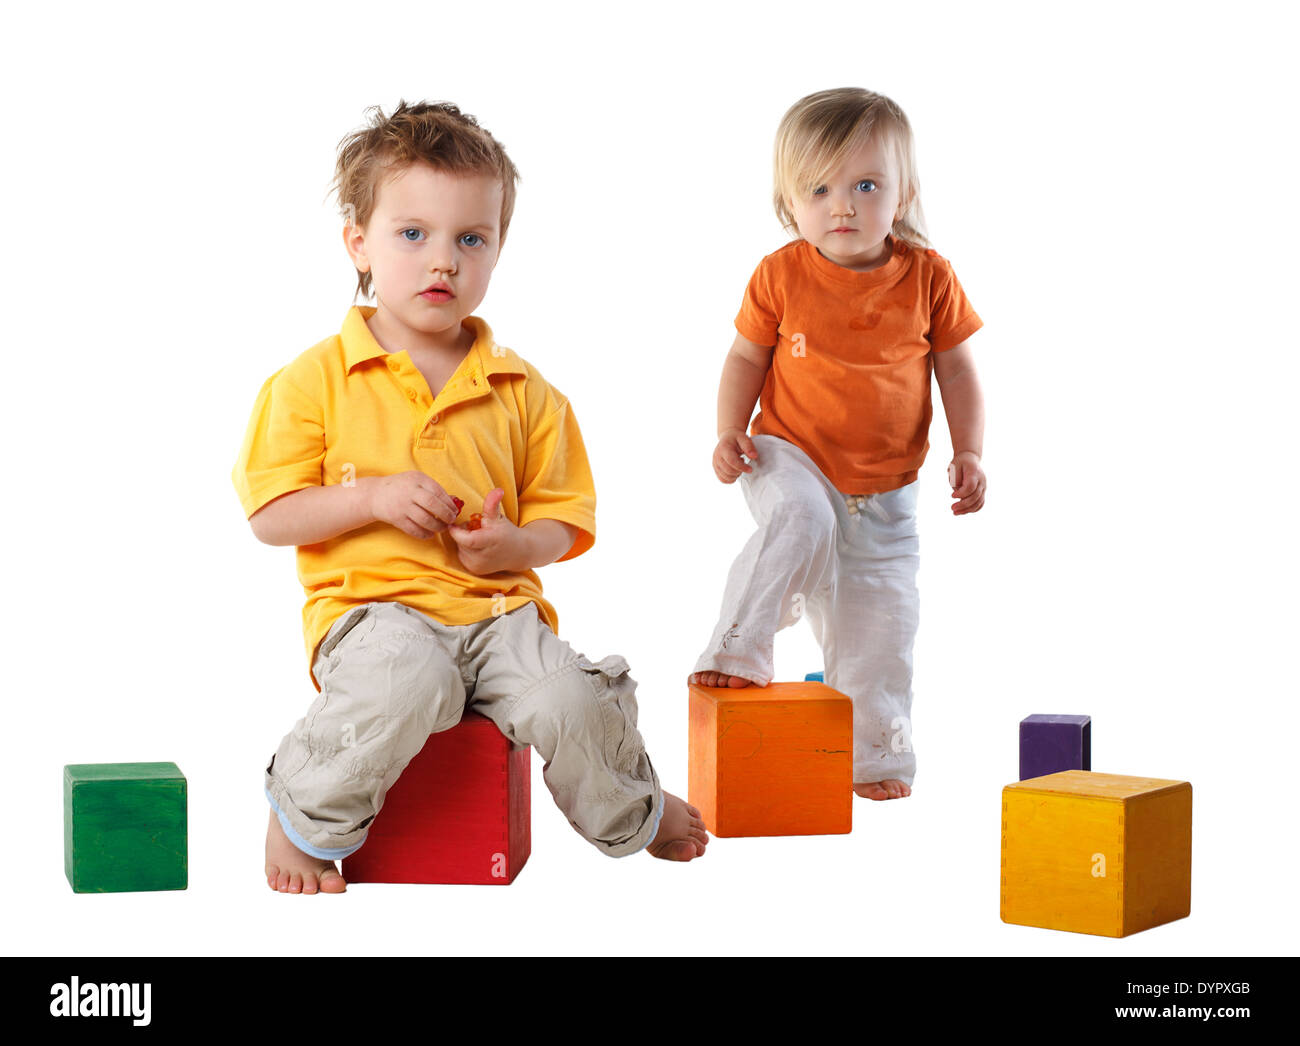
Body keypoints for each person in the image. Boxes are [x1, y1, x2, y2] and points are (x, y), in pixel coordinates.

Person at [232, 100, 707, 893]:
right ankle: (300, 816)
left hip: (497, 615)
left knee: (569, 698)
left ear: (497, 251)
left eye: (470, 239)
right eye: (412, 234)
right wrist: (371, 499)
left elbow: (564, 519)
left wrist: (520, 546)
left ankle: (633, 807)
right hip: (372, 615)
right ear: (360, 244)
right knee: (405, 678)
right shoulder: (310, 380)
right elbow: (270, 515)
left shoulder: (524, 390)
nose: (441, 262)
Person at [689, 87, 987, 801]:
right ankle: (739, 643)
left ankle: (874, 758)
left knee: (880, 630)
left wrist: (970, 450)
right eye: (819, 189)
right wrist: (729, 429)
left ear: (903, 192)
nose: (843, 206)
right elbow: (743, 359)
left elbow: (958, 370)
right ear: (789, 201)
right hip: (789, 455)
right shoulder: (780, 273)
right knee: (802, 518)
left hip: (885, 495)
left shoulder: (929, 277)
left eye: (865, 185)